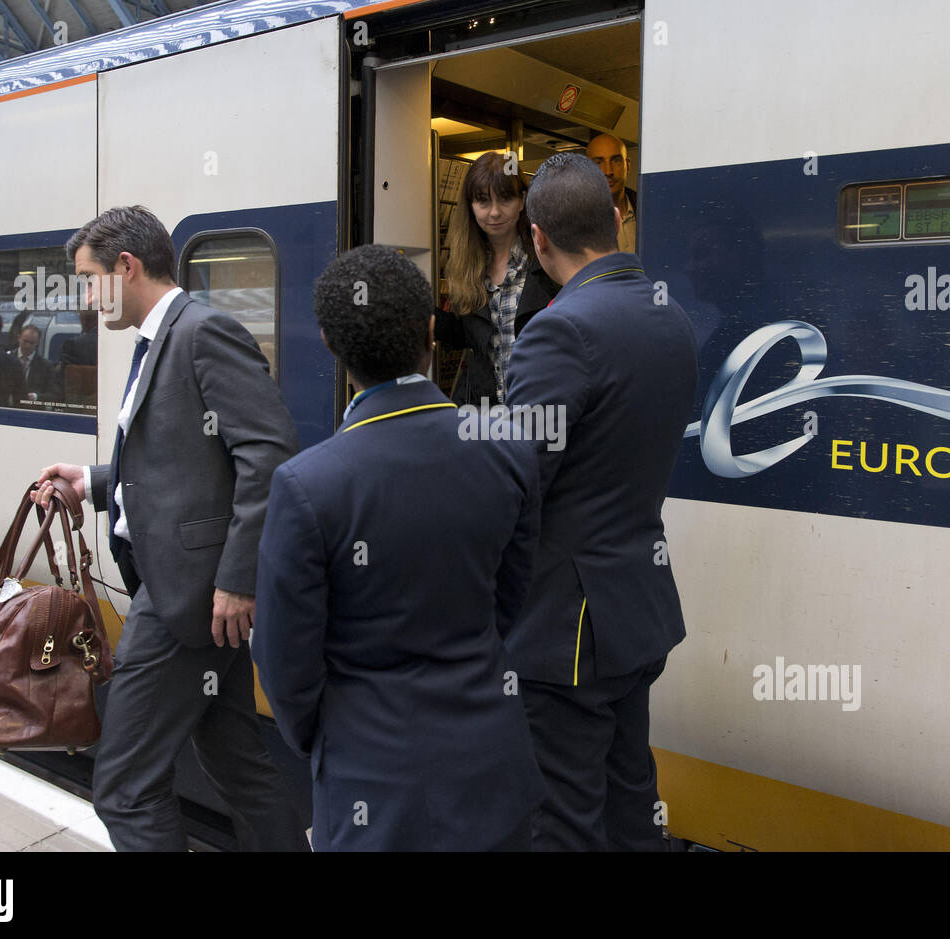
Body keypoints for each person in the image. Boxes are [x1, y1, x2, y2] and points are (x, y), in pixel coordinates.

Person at [251, 244, 545, 851]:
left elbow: (285, 663)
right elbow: (508, 604)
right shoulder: (506, 450)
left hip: (374, 787)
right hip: (495, 769)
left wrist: (335, 736)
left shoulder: (308, 486)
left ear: (331, 346)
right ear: (434, 332)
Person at [33, 205, 306, 852]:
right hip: (190, 590)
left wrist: (239, 579)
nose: (85, 297)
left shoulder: (201, 332)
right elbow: (179, 464)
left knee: (124, 786)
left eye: (88, 279)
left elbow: (269, 454)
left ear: (126, 267)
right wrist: (92, 483)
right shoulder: (163, 338)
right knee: (236, 762)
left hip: (189, 597)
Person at [505, 153, 698, 851]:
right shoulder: (669, 315)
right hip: (634, 611)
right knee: (629, 804)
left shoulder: (558, 331)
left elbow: (516, 486)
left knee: (562, 820)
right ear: (617, 219)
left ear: (537, 238)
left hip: (566, 630)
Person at [436, 151, 557, 406]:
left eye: (504, 199)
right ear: (470, 205)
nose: (494, 212)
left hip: (543, 413)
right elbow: (467, 336)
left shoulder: (549, 261)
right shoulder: (467, 268)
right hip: (487, 419)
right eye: (483, 201)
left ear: (523, 200)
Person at [586, 133, 638, 254]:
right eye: (599, 162)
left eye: (616, 161)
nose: (608, 171)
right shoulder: (574, 220)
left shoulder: (649, 212)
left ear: (628, 165)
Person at [15, 324, 57, 402]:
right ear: (18, 338)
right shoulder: (7, 359)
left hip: (32, 410)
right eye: (25, 341)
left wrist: (36, 396)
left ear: (37, 343)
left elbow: (53, 394)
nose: (27, 346)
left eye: (32, 343)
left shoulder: (46, 366)